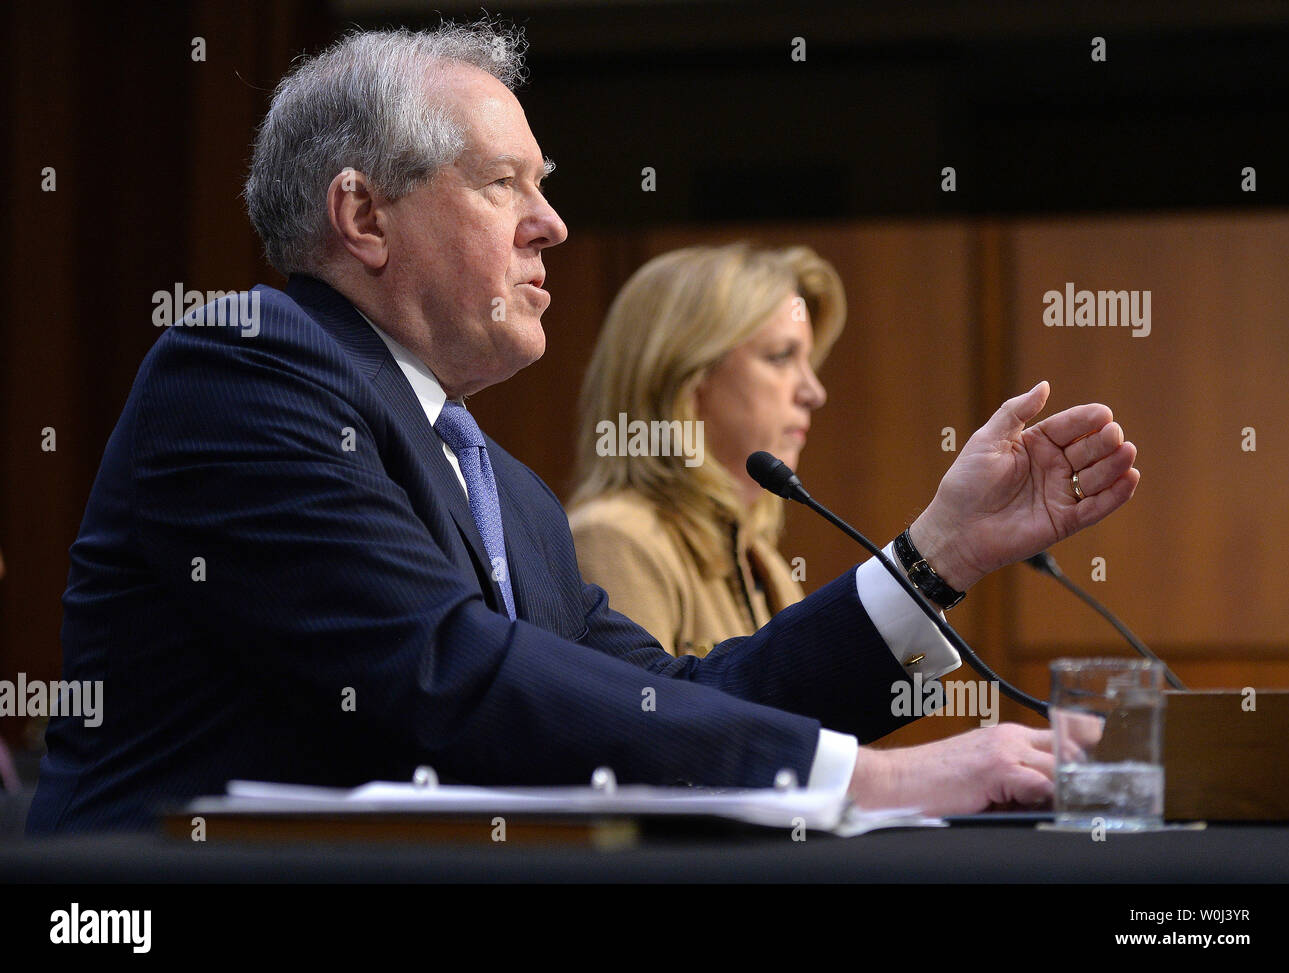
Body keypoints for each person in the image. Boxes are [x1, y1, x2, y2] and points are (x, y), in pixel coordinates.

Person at [27, 23, 1139, 833]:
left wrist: (936, 556)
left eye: (542, 187)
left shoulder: (504, 490)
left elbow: (683, 701)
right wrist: (869, 780)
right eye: (504, 183)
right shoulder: (242, 371)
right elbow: (444, 673)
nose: (552, 225)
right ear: (363, 216)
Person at [570, 243, 844, 657]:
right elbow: (642, 719)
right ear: (686, 378)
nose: (814, 392)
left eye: (809, 361)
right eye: (782, 357)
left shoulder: (762, 560)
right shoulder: (616, 540)